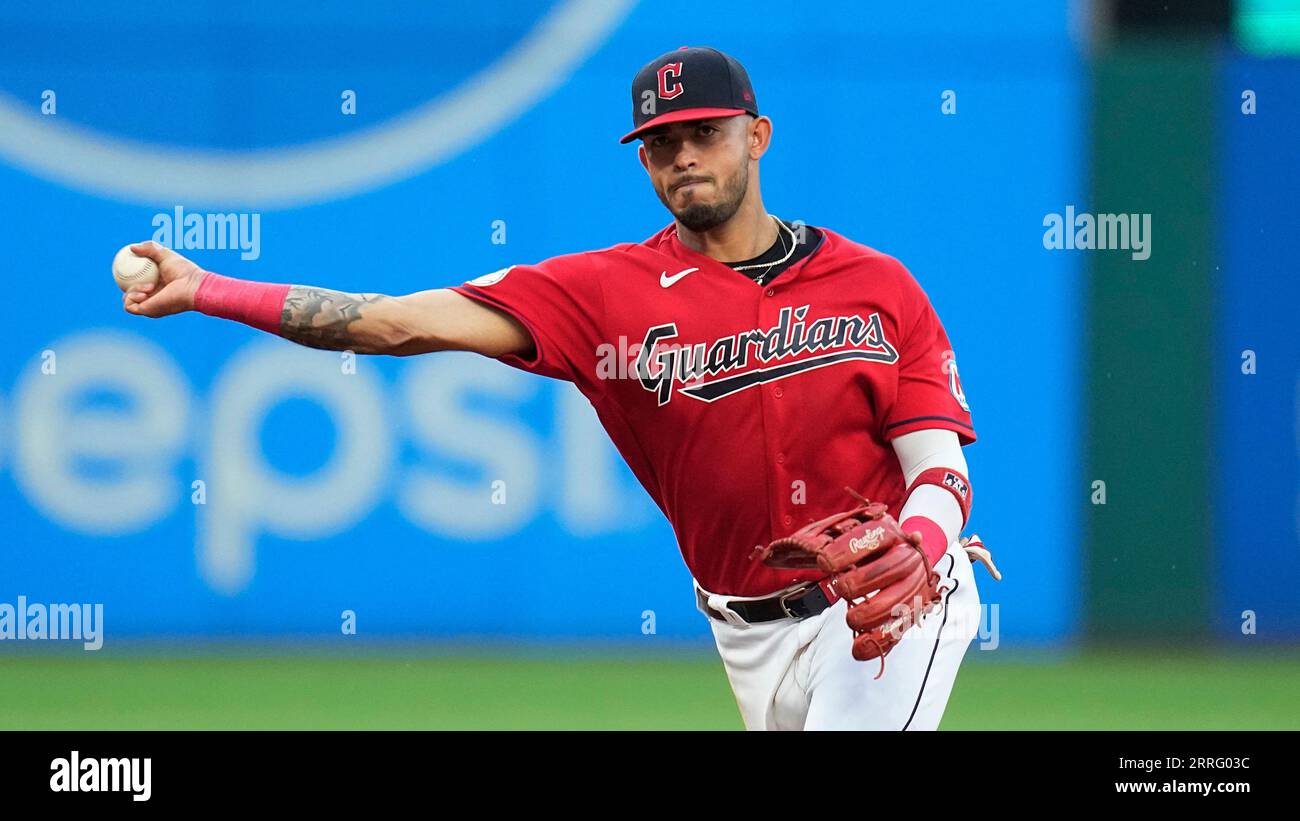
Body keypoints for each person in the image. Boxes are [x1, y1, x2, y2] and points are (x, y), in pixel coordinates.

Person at [122, 46, 994, 730]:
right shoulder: (600, 294)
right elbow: (390, 322)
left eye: (705, 133)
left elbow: (940, 468)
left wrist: (922, 543)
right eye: (661, 142)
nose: (683, 156)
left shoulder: (877, 285)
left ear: (756, 137)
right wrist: (206, 288)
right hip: (744, 633)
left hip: (888, 602)